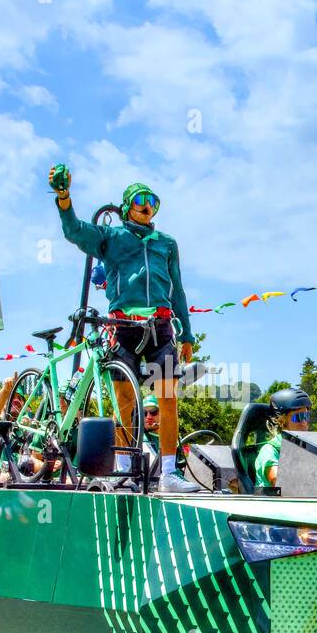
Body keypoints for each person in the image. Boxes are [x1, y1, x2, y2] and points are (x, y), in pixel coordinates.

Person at [50, 163, 199, 493]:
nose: (148, 205)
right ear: (127, 205)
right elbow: (74, 231)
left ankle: (170, 474)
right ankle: (126, 469)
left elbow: (178, 287)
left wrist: (187, 333)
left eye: (154, 201)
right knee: (124, 403)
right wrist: (64, 198)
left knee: (168, 399)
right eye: (142, 199)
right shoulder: (111, 237)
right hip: (124, 326)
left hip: (161, 327)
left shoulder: (167, 243)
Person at [255, 387, 312, 490]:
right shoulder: (270, 450)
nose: (304, 422)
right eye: (298, 417)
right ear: (282, 421)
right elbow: (278, 481)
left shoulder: (306, 449)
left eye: (306, 416)